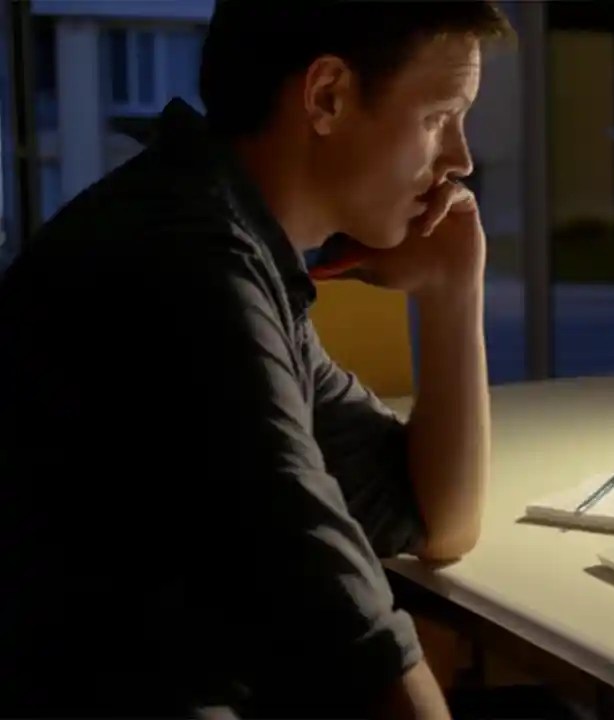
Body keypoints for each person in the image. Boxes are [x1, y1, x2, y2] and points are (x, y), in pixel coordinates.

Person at [0, 1, 513, 717]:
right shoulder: (189, 265)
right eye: (438, 117)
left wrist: (454, 290)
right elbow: (360, 651)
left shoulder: (224, 235)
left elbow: (435, 518)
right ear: (327, 96)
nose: (460, 158)